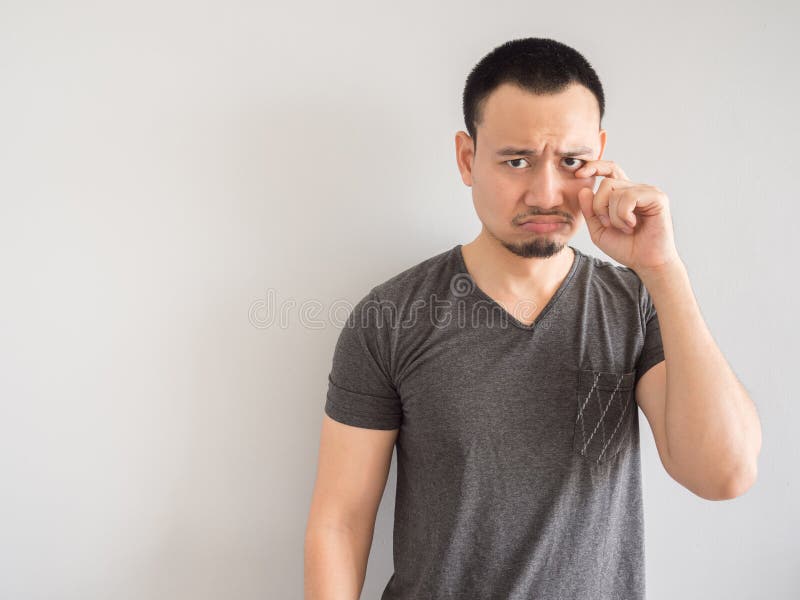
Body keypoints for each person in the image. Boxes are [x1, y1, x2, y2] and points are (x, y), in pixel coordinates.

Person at [304, 37, 762, 600]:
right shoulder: (390, 317)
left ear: (599, 155)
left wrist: (663, 269)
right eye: (516, 161)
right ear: (467, 159)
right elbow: (340, 525)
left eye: (571, 162)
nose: (546, 193)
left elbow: (725, 475)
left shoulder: (636, 303)